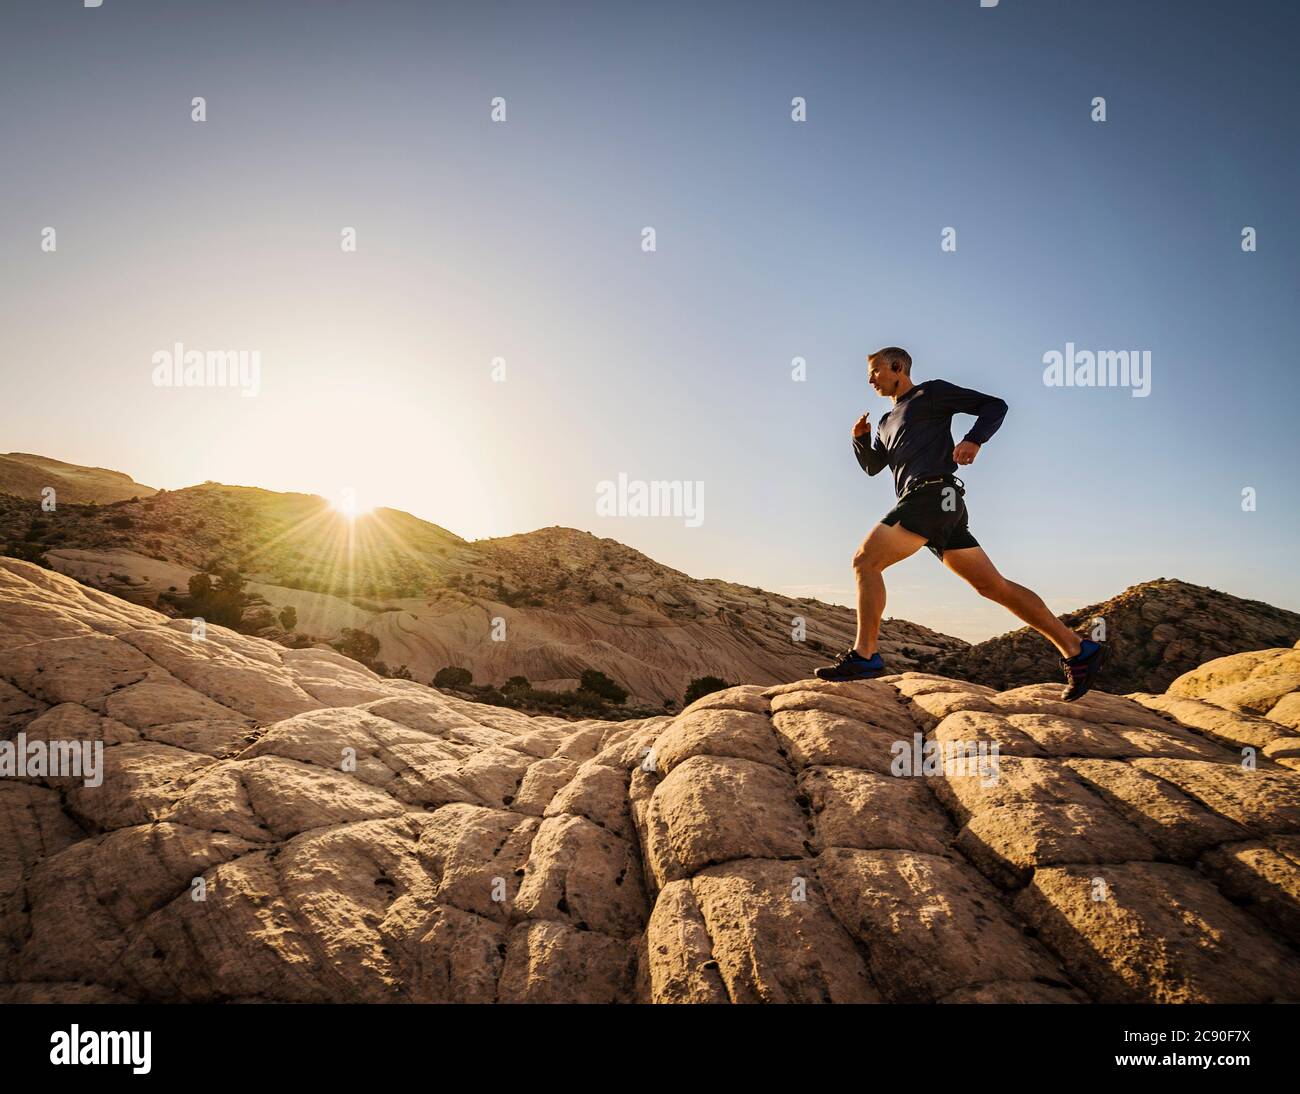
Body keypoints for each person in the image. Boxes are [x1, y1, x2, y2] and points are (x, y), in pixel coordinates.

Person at [814, 346, 1106, 701]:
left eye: (875, 371)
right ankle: (1078, 650)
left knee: (865, 561)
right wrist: (859, 440)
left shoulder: (930, 393)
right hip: (936, 506)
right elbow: (875, 466)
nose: (870, 379)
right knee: (993, 586)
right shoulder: (885, 422)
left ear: (897, 367)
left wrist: (973, 439)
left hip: (932, 496)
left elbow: (995, 405)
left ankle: (865, 656)